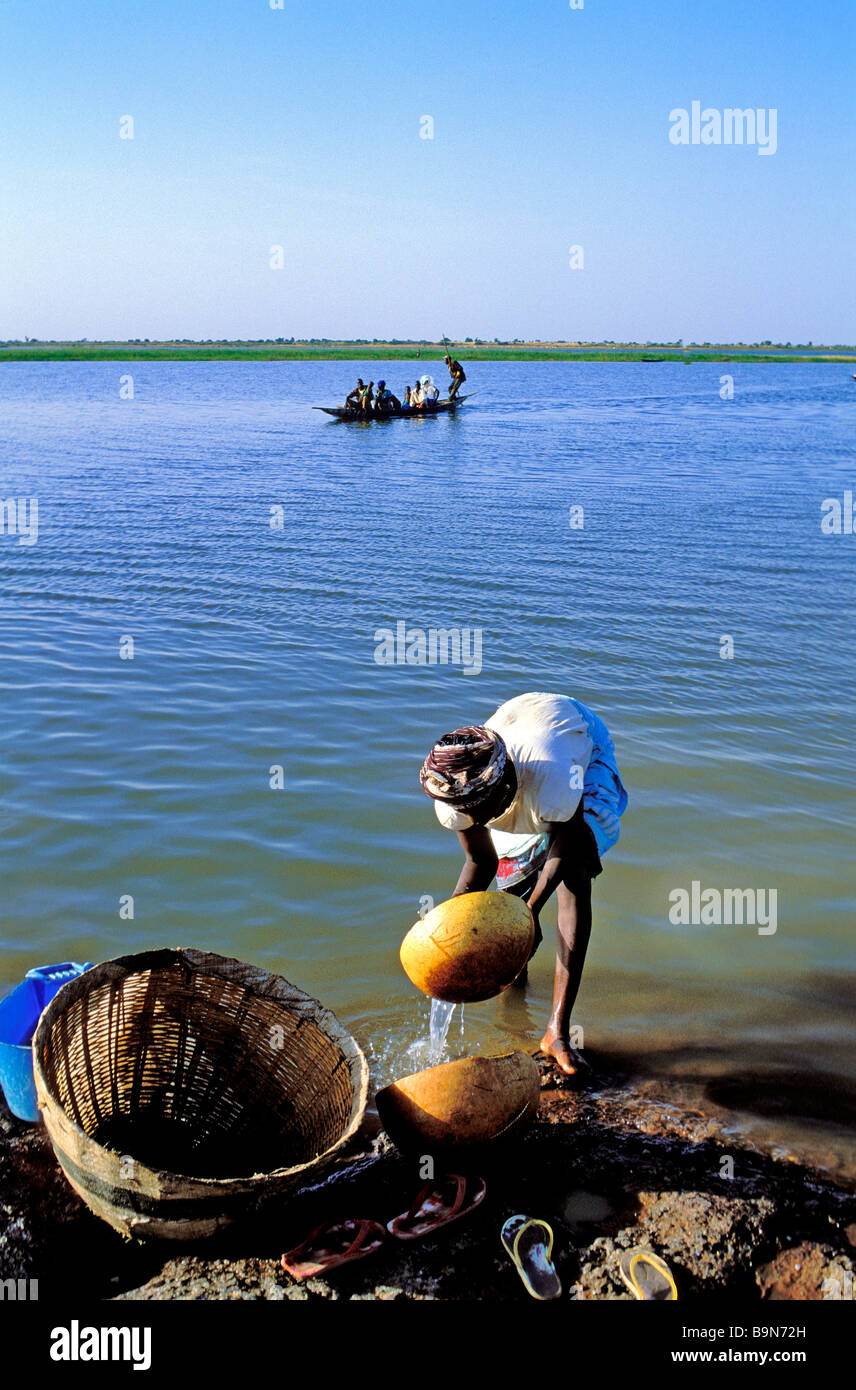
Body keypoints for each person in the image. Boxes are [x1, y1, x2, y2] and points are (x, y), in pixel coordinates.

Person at [419, 693, 628, 1077]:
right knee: (509, 890)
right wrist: (449, 932)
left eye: (478, 812)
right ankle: (512, 1012)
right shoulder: (455, 792)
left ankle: (557, 1032)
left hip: (574, 746)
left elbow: (566, 843)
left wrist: (529, 913)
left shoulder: (553, 779)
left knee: (576, 875)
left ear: (497, 792)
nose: (472, 820)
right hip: (518, 738)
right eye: (467, 814)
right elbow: (481, 862)